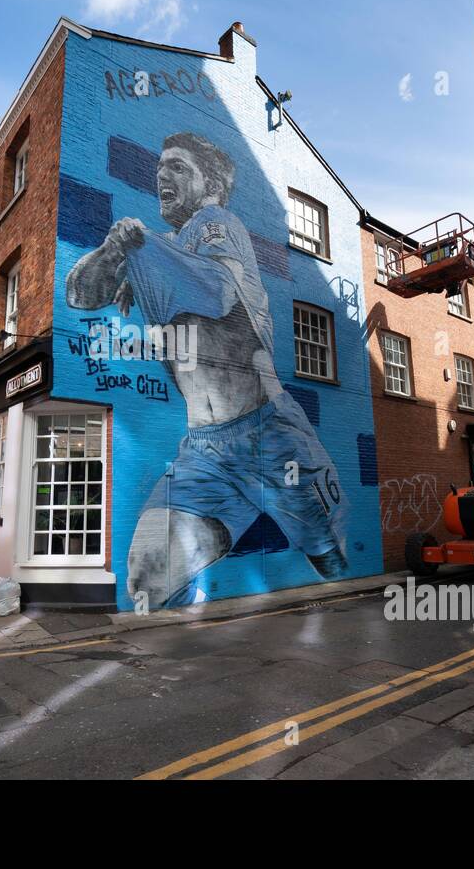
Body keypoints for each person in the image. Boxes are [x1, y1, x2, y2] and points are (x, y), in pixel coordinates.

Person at [67, 131, 350, 608]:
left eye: (177, 166)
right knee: (147, 571)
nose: (161, 174)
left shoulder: (216, 222)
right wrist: (117, 249)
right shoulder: (155, 246)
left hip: (271, 436)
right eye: (160, 167)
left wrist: (150, 256)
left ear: (212, 184)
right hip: (204, 451)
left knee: (331, 562)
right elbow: (80, 295)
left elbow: (218, 291)